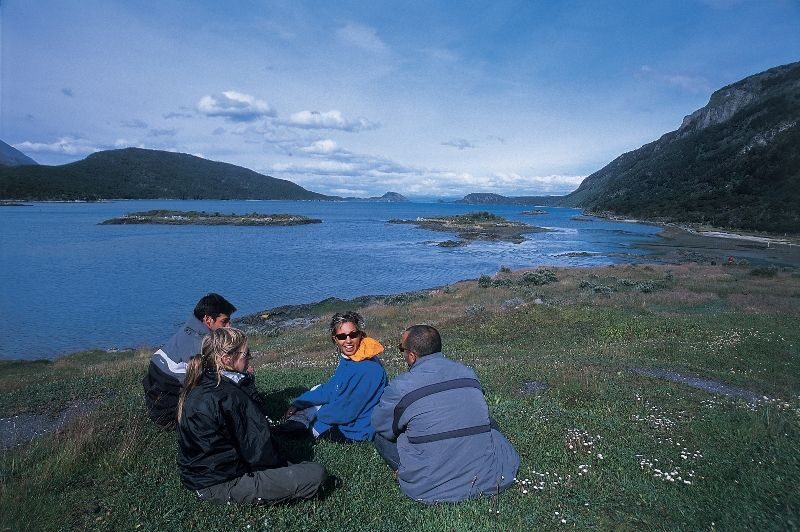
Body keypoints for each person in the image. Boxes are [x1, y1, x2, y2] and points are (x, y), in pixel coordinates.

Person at [177, 327, 328, 504]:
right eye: (246, 354)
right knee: (315, 474)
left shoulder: (203, 381)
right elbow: (259, 451)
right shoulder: (231, 396)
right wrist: (283, 467)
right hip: (220, 484)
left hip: (199, 476)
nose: (250, 357)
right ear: (227, 359)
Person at [371, 325, 520, 504]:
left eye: (401, 349)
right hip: (490, 477)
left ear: (411, 356)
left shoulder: (401, 386)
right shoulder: (468, 374)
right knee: (488, 423)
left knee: (381, 438)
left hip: (431, 486)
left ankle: (405, 471)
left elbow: (383, 427)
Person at [277, 311, 388, 442]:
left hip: (355, 431)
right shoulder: (351, 358)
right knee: (315, 392)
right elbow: (331, 388)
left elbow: (345, 413)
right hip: (346, 415)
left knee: (307, 420)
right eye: (342, 336)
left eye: (353, 335)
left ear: (361, 335)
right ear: (335, 339)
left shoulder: (367, 368)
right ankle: (294, 423)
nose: (348, 341)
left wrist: (314, 415)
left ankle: (293, 427)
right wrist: (299, 403)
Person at [142, 293, 236, 428]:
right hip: (171, 415)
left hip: (158, 401)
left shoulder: (190, 327)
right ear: (208, 319)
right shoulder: (201, 344)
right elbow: (210, 382)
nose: (229, 326)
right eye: (224, 321)